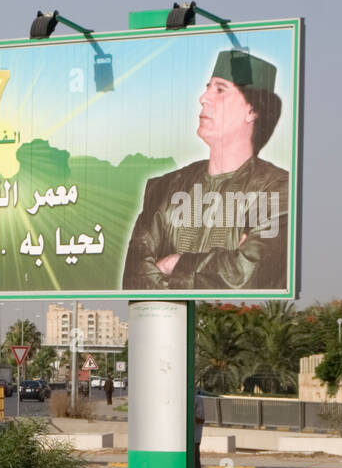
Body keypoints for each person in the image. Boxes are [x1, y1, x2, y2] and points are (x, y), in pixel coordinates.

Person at [122, 50, 289, 292]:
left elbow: (249, 273)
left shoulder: (278, 188)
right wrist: (221, 262)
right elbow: (136, 276)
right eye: (207, 87)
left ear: (252, 110)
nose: (204, 98)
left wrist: (173, 263)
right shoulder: (165, 187)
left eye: (220, 90)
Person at [193, 392, 206, 468]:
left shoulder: (197, 399)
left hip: (193, 440)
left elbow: (201, 419)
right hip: (181, 440)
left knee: (195, 467)